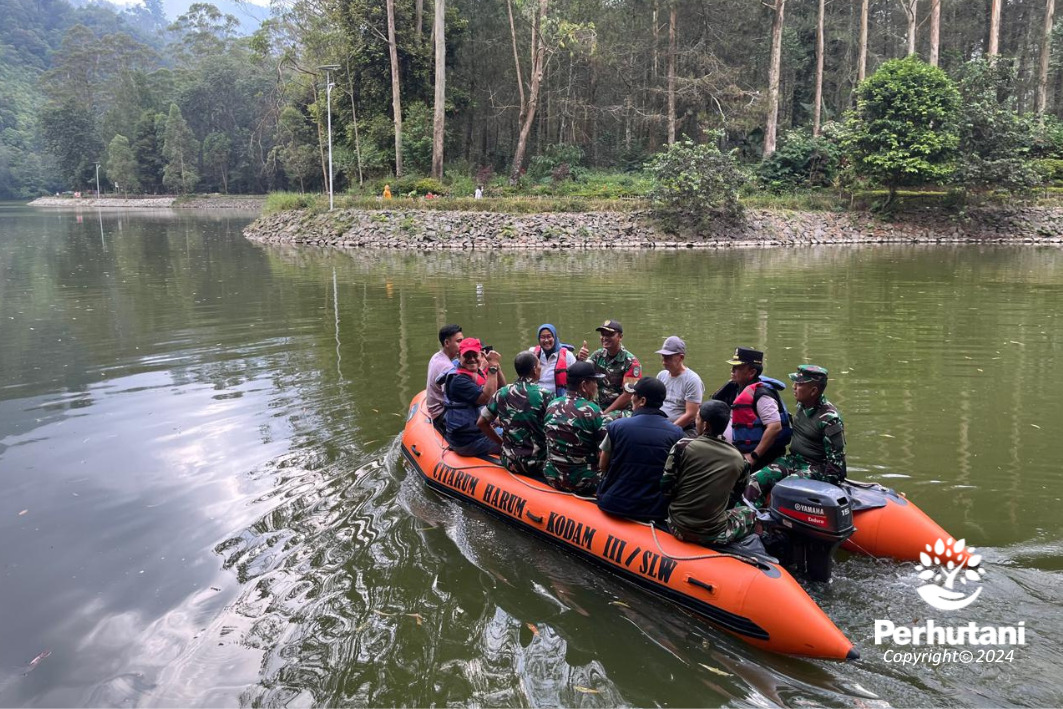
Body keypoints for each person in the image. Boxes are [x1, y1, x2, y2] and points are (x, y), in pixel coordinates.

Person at [745, 365, 847, 508]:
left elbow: (837, 468)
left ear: (813, 391)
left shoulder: (829, 419)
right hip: (794, 461)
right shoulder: (802, 405)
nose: (794, 387)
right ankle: (747, 516)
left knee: (784, 488)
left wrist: (822, 483)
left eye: (799, 384)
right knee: (755, 479)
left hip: (816, 468)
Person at [660, 400, 756, 546]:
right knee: (750, 513)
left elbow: (666, 487)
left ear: (705, 425)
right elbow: (735, 496)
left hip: (676, 525)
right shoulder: (740, 460)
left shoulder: (683, 446)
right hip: (713, 532)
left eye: (697, 418)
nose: (695, 421)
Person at [596, 378, 685, 522]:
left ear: (642, 401)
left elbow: (602, 465)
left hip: (614, 503)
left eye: (634, 395)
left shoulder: (616, 426)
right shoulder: (677, 433)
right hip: (655, 509)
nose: (631, 398)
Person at [712, 347, 792, 473]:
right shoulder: (735, 388)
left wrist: (754, 456)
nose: (732, 371)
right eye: (732, 366)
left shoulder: (762, 395)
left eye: (737, 368)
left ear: (751, 372)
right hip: (733, 453)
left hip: (759, 457)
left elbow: (775, 428)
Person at [477, 352, 550, 478]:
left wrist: (501, 444)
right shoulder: (545, 395)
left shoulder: (502, 393)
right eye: (539, 365)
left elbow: (481, 423)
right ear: (534, 369)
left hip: (510, 461)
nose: (540, 368)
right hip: (538, 463)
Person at [543, 361, 608, 494]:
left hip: (552, 476)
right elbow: (604, 455)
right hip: (584, 482)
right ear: (584, 385)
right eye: (594, 382)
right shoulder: (593, 411)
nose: (597, 386)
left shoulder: (552, 405)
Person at [441, 338, 505, 457]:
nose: (471, 359)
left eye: (474, 355)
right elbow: (486, 398)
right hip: (468, 441)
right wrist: (492, 367)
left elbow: (502, 388)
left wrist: (496, 366)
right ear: (459, 356)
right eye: (467, 355)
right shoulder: (458, 380)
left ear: (481, 355)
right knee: (519, 441)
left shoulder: (477, 372)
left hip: (478, 432)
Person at [578, 319, 642, 415]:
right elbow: (581, 374)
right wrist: (580, 359)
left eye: (610, 335)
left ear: (620, 337)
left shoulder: (631, 362)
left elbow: (628, 396)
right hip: (600, 405)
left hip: (623, 410)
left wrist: (604, 414)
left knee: (605, 421)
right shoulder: (597, 355)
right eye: (603, 334)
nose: (605, 338)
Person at [654, 336, 704, 435]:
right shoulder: (661, 375)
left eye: (668, 358)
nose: (664, 361)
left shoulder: (692, 380)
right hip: (660, 424)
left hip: (683, 429)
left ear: (681, 357)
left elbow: (691, 415)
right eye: (663, 357)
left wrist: (668, 431)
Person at [426, 324, 463, 433]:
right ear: (447, 343)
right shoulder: (446, 366)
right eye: (458, 341)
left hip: (435, 409)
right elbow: (451, 400)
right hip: (441, 414)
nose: (462, 345)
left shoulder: (437, 356)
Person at [530, 324, 577, 397]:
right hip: (536, 398)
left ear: (554, 337)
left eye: (549, 336)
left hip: (557, 400)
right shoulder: (532, 354)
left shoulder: (568, 355)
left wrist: (580, 359)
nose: (546, 340)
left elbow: (576, 378)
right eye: (542, 337)